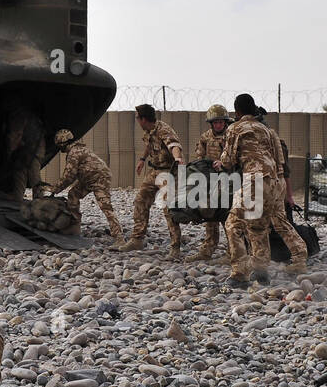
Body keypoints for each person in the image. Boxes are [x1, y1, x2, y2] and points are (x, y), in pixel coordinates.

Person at [215, 93, 286, 287]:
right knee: (258, 227)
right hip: (273, 182)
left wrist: (221, 162)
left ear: (237, 111)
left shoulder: (235, 128)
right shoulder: (265, 129)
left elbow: (228, 161)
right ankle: (261, 272)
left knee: (233, 225)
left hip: (253, 180)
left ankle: (239, 274)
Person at [119, 103, 185, 255]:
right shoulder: (149, 131)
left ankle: (175, 247)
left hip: (167, 173)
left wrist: (177, 158)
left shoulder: (163, 130)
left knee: (169, 210)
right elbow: (149, 145)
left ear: (143, 119)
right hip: (154, 171)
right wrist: (142, 159)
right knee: (141, 201)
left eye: (137, 118)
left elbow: (174, 145)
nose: (137, 121)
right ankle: (137, 239)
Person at [254, 106, 308, 272]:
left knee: (280, 224)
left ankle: (297, 258)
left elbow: (285, 171)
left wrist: (289, 197)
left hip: (273, 189)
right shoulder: (249, 141)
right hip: (256, 188)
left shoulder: (274, 141)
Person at [49, 129, 125, 243]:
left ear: (63, 143)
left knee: (105, 206)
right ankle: (74, 227)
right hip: (88, 179)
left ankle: (119, 237)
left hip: (100, 179)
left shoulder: (74, 153)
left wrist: (53, 190)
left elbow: (69, 177)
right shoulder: (78, 149)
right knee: (73, 195)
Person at [187, 104, 231, 262]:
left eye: (221, 122)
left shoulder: (232, 135)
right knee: (210, 213)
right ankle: (207, 249)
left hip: (229, 179)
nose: (218, 125)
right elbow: (199, 157)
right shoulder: (205, 137)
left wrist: (224, 163)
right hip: (211, 179)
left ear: (225, 122)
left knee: (227, 216)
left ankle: (232, 252)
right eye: (215, 122)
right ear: (211, 123)